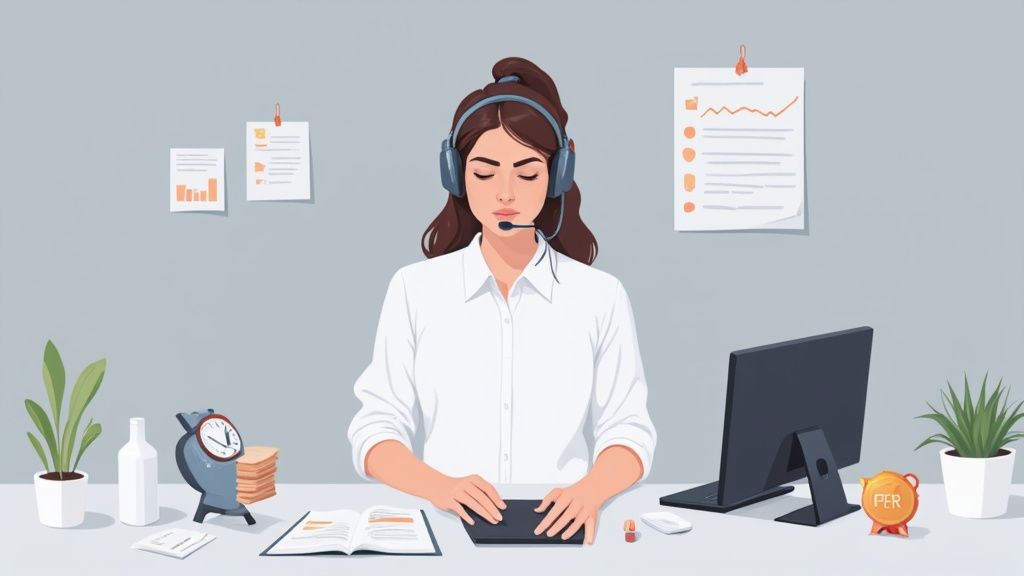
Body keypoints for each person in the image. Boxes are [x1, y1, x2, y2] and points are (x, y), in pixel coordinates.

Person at [347, 56, 656, 545]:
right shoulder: (415, 289)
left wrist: (591, 490)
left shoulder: (600, 296)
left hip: (568, 529)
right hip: (446, 530)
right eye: (485, 173)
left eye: (527, 174)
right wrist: (441, 487)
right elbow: (374, 430)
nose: (505, 194)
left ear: (556, 177)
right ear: (455, 175)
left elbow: (629, 430)